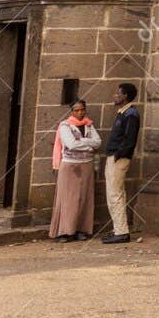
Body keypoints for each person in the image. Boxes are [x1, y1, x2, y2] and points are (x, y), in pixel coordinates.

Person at [48, 100, 101, 241]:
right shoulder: (65, 126)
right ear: (71, 111)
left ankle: (80, 229)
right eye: (76, 110)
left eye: (82, 110)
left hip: (86, 165)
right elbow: (71, 144)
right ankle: (64, 232)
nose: (80, 113)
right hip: (70, 166)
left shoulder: (89, 124)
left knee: (84, 198)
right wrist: (89, 145)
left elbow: (98, 142)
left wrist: (82, 142)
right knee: (67, 199)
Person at [102, 82, 141, 244]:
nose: (115, 95)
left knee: (115, 194)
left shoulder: (131, 114)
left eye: (118, 93)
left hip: (119, 158)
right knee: (114, 193)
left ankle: (121, 232)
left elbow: (129, 140)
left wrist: (118, 155)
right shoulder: (124, 112)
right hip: (114, 156)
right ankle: (118, 229)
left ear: (125, 96)